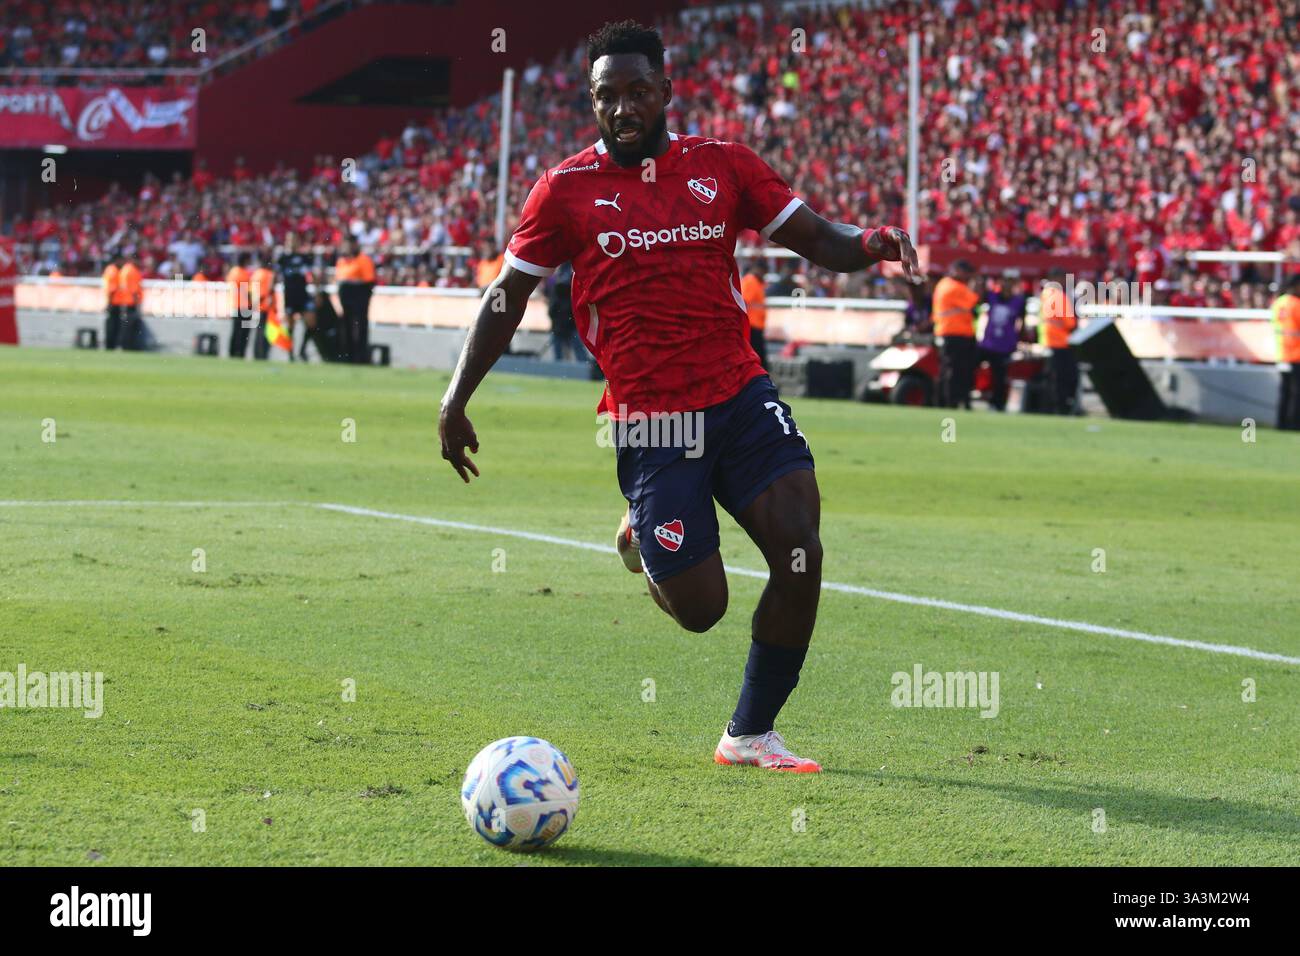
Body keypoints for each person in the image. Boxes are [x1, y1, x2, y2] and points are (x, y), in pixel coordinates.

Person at [438, 20, 920, 774]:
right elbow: (507, 297)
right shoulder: (563, 192)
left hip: (739, 393)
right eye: (608, 96)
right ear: (592, 102)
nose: (624, 107)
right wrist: (455, 398)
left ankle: (750, 734)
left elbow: (816, 236)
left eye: (637, 92)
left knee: (801, 551)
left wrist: (869, 243)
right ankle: (643, 536)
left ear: (664, 91)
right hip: (654, 422)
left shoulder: (724, 165)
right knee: (703, 612)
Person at [932, 259, 980, 408]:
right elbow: (974, 300)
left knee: (950, 370)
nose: (969, 276)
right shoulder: (955, 287)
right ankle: (951, 402)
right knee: (956, 371)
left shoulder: (944, 284)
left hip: (953, 333)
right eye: (967, 272)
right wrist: (976, 287)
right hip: (955, 334)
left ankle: (948, 401)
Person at [978, 274, 1026, 411]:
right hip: (988, 343)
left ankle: (997, 403)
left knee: (1000, 377)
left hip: (1005, 345)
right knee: (969, 366)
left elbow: (1020, 323)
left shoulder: (1019, 301)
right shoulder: (992, 296)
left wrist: (1018, 341)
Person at [1040, 271, 1079, 414]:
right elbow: (1070, 323)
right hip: (1061, 344)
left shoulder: (1045, 294)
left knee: (1052, 378)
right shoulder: (1059, 296)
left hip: (1049, 342)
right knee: (1063, 378)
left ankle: (1049, 407)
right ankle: (1061, 408)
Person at [335, 238, 376, 363]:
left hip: (359, 297)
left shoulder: (364, 260)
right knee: (346, 327)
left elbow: (369, 281)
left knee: (360, 327)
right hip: (345, 299)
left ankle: (361, 357)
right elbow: (340, 280)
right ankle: (347, 355)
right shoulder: (341, 261)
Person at [278, 233, 313, 361]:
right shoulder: (283, 258)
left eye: (294, 239)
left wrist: (317, 290)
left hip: (302, 294)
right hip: (289, 294)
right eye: (289, 240)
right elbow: (276, 275)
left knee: (311, 322)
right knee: (290, 325)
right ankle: (291, 352)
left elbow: (312, 274)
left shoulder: (304, 257)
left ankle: (302, 349)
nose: (291, 242)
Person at [1271, 275, 1300, 431]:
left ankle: (1281, 423)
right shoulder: (1296, 304)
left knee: (1284, 391)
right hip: (1296, 354)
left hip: (1282, 353)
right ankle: (1294, 423)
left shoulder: (1278, 303)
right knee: (1296, 393)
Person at [546, 261, 582, 360]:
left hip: (569, 324)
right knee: (561, 345)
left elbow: (552, 309)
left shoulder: (558, 280)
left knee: (576, 346)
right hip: (563, 323)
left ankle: (584, 369)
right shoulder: (560, 283)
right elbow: (552, 310)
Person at [740, 263, 768, 369]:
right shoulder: (751, 281)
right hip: (752, 325)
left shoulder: (756, 282)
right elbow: (745, 301)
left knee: (758, 358)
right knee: (758, 358)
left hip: (755, 326)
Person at [226, 253, 254, 358]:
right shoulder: (243, 274)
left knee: (235, 330)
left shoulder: (233, 271)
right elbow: (247, 291)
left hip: (235, 304)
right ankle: (240, 353)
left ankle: (232, 352)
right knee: (243, 332)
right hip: (244, 306)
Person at [250, 253, 277, 361]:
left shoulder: (256, 274)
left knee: (258, 331)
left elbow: (251, 290)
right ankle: (263, 354)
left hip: (256, 306)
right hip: (266, 307)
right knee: (265, 332)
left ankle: (256, 354)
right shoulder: (269, 274)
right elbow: (269, 290)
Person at [102, 251, 123, 350]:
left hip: (111, 301)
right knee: (113, 325)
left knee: (111, 324)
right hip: (114, 303)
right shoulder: (114, 271)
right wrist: (109, 303)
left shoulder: (109, 269)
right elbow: (112, 289)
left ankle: (109, 345)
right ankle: (111, 345)